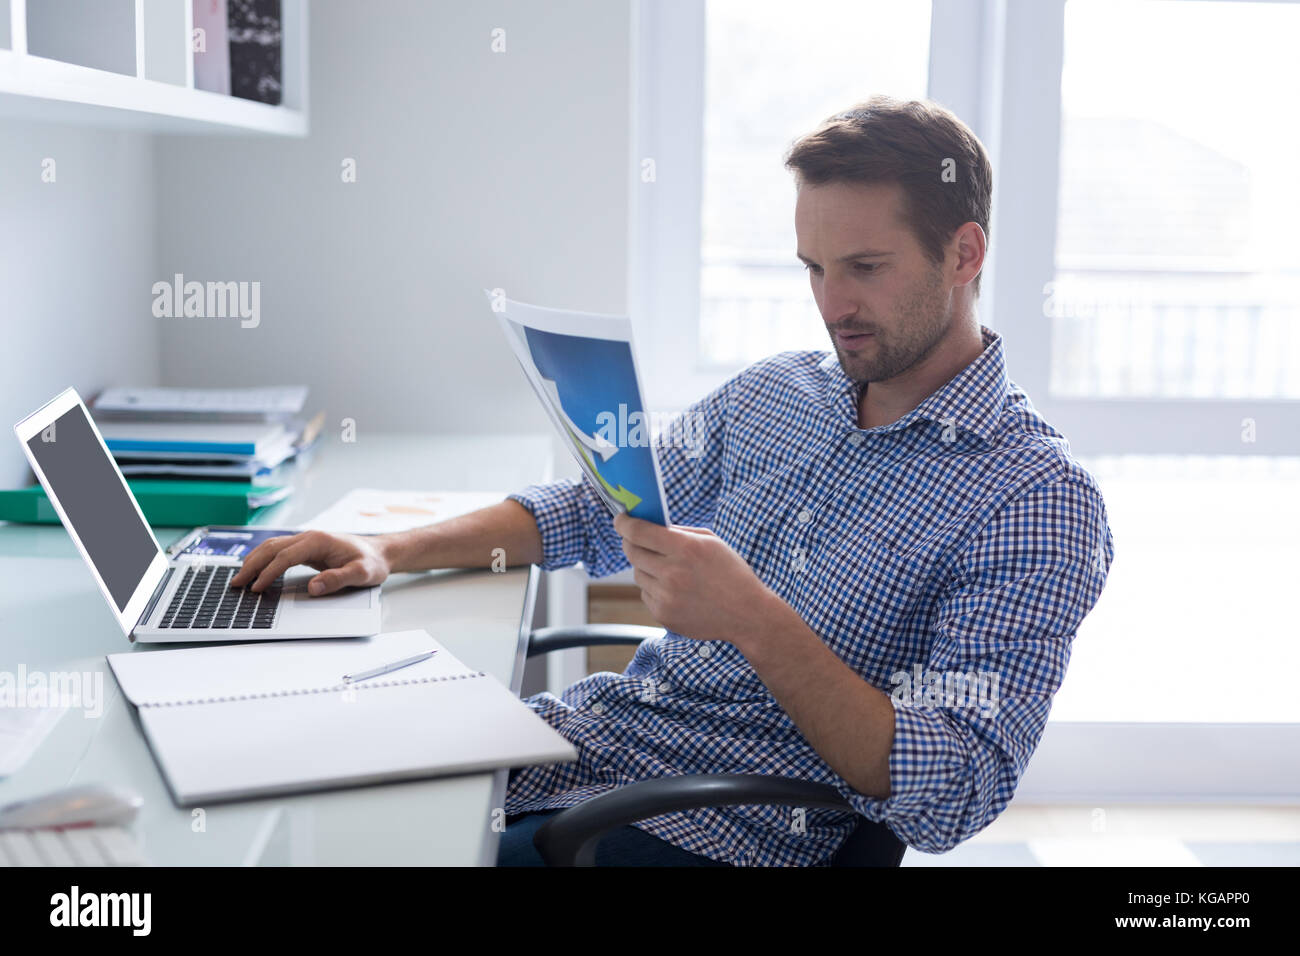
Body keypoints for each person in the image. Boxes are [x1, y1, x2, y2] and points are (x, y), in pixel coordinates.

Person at [230, 95, 1114, 867]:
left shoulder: (1035, 499)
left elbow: (953, 791)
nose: (831, 304)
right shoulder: (781, 390)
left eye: (865, 268)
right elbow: (589, 507)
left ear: (964, 255)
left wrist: (758, 622)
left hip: (702, 833)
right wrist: (389, 549)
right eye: (813, 267)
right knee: (301, 769)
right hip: (589, 748)